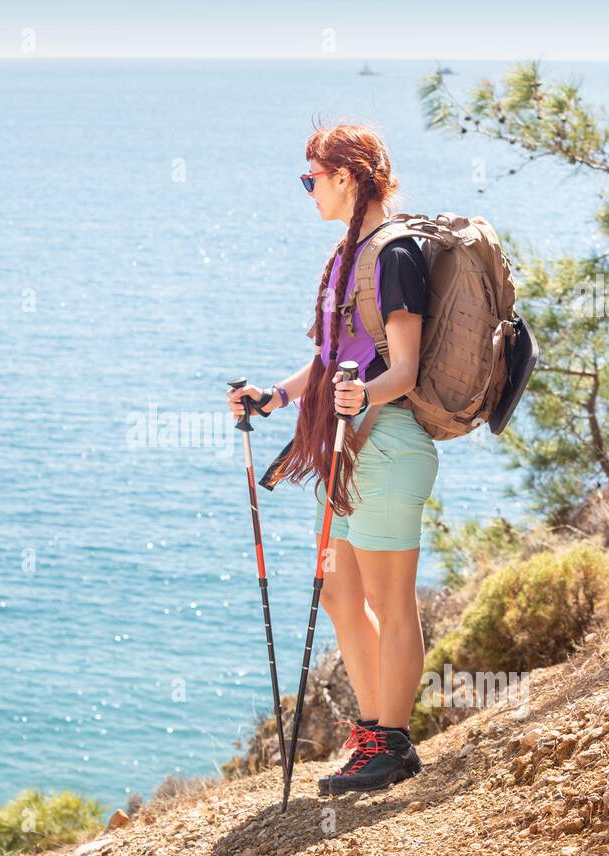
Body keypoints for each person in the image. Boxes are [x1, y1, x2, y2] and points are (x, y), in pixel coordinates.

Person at [226, 121, 438, 795]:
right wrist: (274, 397)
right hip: (344, 450)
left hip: (387, 443)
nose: (308, 191)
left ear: (346, 177)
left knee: (388, 597)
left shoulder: (396, 254)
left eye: (310, 179)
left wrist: (359, 395)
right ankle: (373, 733)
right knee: (343, 594)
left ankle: (394, 743)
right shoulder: (345, 257)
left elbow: (401, 369)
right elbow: (329, 361)